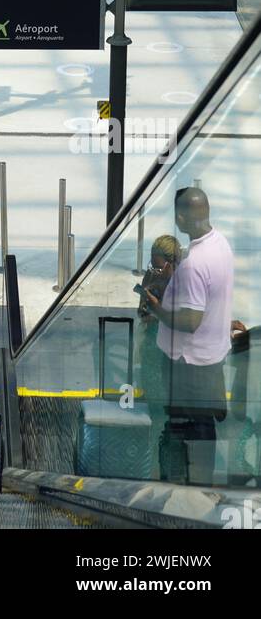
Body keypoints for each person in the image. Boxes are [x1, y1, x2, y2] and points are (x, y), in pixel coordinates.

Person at [143, 189, 234, 486]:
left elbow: (191, 320)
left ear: (181, 217)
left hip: (187, 362)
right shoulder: (220, 244)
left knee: (187, 426)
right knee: (202, 424)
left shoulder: (194, 263)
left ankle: (187, 486)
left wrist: (157, 311)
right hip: (210, 356)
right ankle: (199, 483)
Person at [137, 235, 182, 474]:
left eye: (158, 266)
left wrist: (158, 308)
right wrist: (148, 305)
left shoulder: (187, 282)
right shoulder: (153, 277)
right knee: (157, 410)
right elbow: (141, 313)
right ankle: (156, 465)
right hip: (154, 348)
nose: (155, 271)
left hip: (177, 354)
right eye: (152, 266)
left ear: (170, 263)